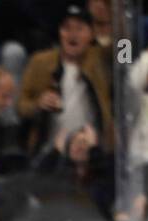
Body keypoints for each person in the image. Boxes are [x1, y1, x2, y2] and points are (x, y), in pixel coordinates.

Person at [18, 5, 114, 155]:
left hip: (93, 154)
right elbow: (21, 107)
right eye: (66, 28)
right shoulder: (40, 62)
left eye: (79, 29)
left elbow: (125, 59)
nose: (72, 34)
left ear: (91, 34)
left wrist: (122, 19)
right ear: (59, 32)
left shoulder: (100, 59)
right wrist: (38, 104)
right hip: (50, 153)